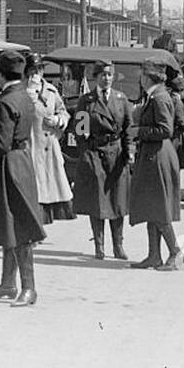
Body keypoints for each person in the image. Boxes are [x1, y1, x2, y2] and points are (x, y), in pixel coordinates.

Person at [0, 49, 46, 306]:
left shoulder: (5, 101)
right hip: (22, 163)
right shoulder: (25, 96)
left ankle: (29, 288)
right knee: (11, 225)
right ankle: (8, 284)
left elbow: (0, 144)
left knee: (19, 227)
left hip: (7, 167)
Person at [73, 60, 134, 260]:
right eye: (102, 75)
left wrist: (129, 153)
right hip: (95, 154)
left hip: (116, 154)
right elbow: (80, 132)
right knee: (97, 202)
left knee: (118, 201)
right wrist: (87, 154)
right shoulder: (86, 101)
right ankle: (99, 246)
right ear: (95, 77)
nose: (106, 78)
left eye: (109, 74)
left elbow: (128, 130)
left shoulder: (121, 99)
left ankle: (118, 245)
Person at [129, 62, 184, 269]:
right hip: (154, 156)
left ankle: (175, 252)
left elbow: (165, 129)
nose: (140, 79)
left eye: (142, 76)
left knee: (159, 208)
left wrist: (139, 131)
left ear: (147, 78)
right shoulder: (156, 96)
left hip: (158, 156)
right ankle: (154, 255)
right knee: (152, 207)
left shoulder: (159, 98)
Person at [24, 53, 74, 223]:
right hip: (31, 145)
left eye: (39, 69)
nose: (36, 73)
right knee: (32, 190)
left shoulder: (52, 91)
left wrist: (58, 120)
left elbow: (63, 111)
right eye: (32, 70)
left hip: (49, 147)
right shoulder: (22, 90)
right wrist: (30, 93)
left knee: (48, 188)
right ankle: (32, 227)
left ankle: (40, 225)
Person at [168, 74, 184, 170]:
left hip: (172, 135)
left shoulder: (170, 99)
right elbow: (180, 121)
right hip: (177, 137)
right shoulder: (177, 102)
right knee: (176, 165)